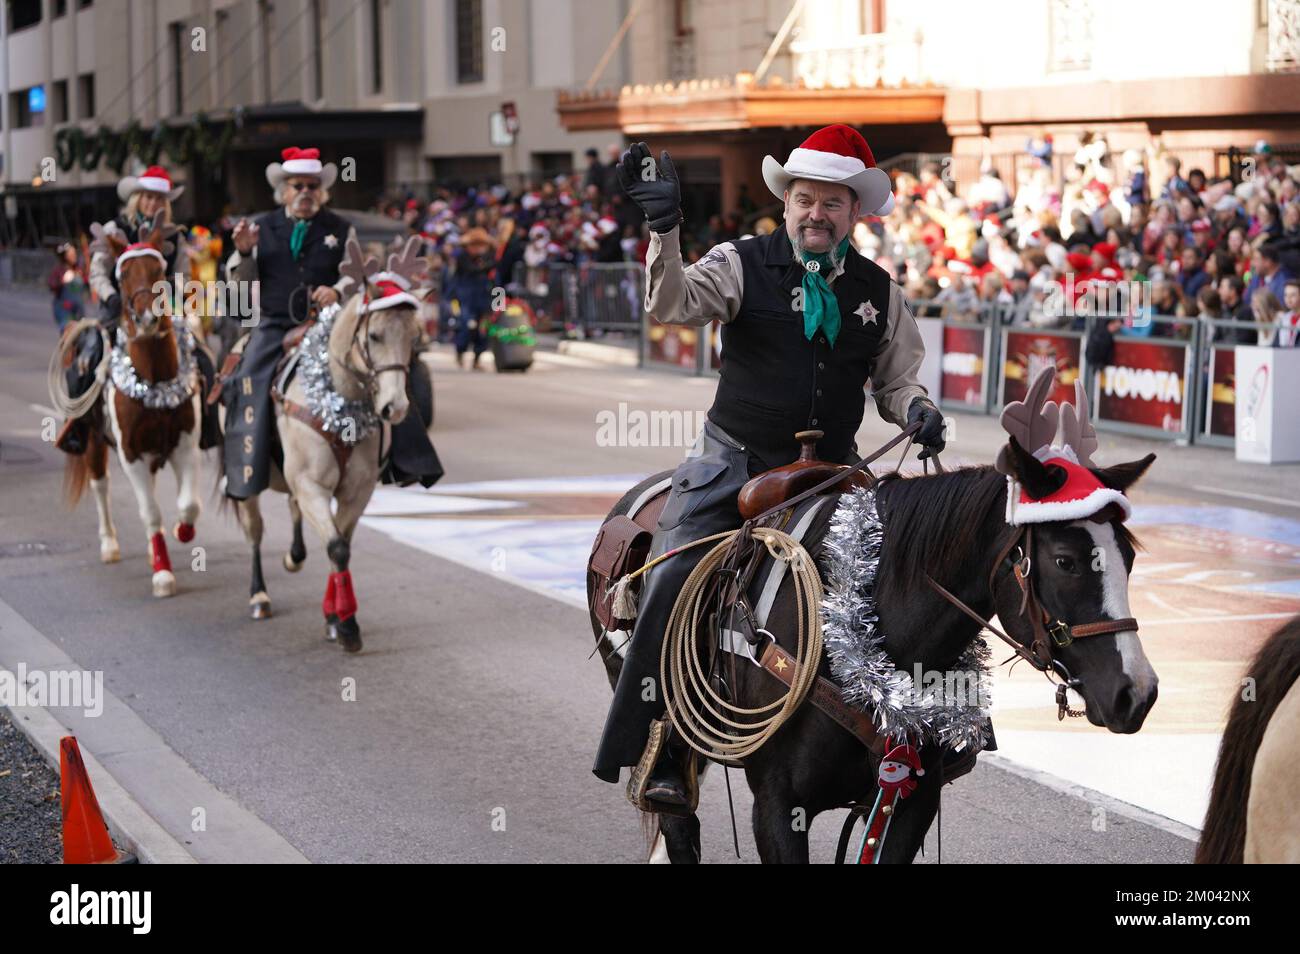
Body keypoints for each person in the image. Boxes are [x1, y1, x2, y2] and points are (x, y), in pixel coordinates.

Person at [592, 124, 947, 809]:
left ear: (856, 213)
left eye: (832, 202)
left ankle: (914, 730)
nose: (816, 213)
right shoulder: (738, 262)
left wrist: (917, 411)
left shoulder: (881, 292)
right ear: (787, 202)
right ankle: (666, 746)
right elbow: (672, 305)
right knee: (671, 578)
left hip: (836, 478)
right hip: (734, 466)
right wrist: (664, 232)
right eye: (805, 199)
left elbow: (897, 382)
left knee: (910, 577)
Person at [223, 147, 444, 496]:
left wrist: (337, 292)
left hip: (328, 324)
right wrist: (246, 252)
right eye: (298, 186)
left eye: (313, 186)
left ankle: (409, 460)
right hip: (275, 322)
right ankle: (245, 469)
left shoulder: (340, 228)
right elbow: (241, 283)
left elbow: (354, 274)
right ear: (284, 190)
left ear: (321, 192)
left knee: (389, 364)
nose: (306, 193)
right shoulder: (260, 227)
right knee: (249, 375)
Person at [55, 165, 212, 453]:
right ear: (137, 198)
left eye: (158, 199)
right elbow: (98, 272)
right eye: (147, 197)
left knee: (203, 359)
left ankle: (206, 427)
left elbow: (182, 277)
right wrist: (110, 295)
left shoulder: (174, 236)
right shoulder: (114, 230)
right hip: (119, 312)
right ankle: (77, 428)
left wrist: (176, 303)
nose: (152, 203)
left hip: (162, 313)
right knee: (87, 361)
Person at [443, 227, 496, 370]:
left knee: (483, 330)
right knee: (465, 325)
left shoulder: (489, 258)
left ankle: (477, 358)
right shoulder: (462, 257)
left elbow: (497, 283)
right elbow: (469, 271)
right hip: (465, 297)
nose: (478, 249)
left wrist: (499, 305)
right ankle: (460, 351)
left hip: (484, 298)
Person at [47, 242, 86, 330]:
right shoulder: (60, 270)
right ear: (65, 256)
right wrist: (62, 281)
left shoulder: (78, 270)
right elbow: (51, 285)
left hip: (78, 308)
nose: (74, 256)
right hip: (64, 309)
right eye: (71, 254)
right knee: (68, 330)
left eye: (75, 253)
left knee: (82, 333)